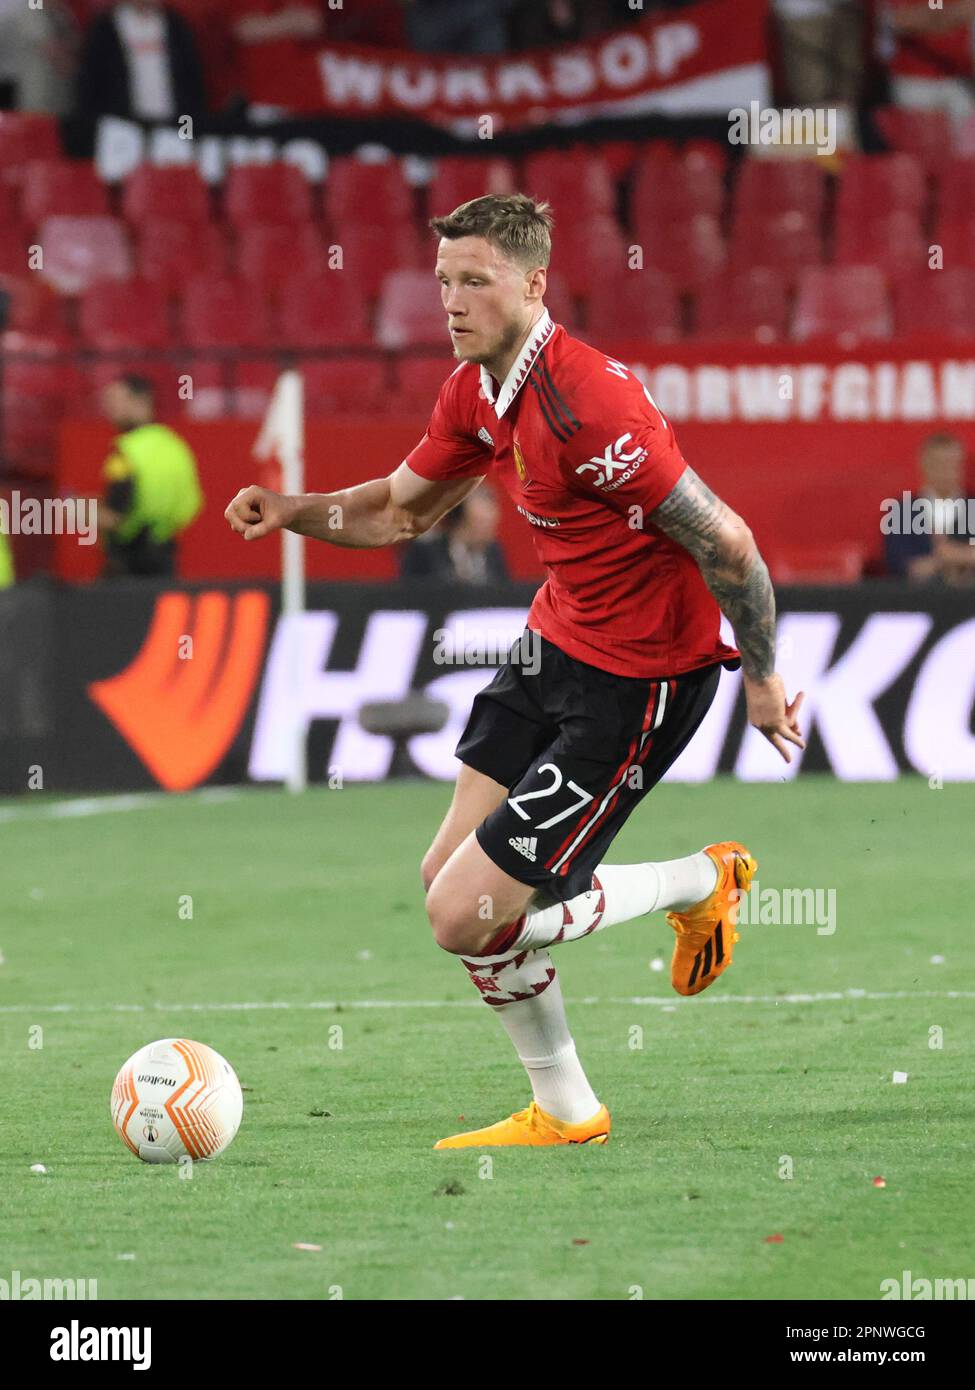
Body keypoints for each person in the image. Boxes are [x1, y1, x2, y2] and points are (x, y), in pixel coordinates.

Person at [225, 194, 804, 1150]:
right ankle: (569, 1113)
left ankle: (698, 881)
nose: (451, 301)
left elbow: (730, 545)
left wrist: (761, 676)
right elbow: (400, 513)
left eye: (475, 281)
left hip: (638, 680)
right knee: (446, 882)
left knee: (465, 917)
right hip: (551, 648)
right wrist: (293, 508)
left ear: (533, 286)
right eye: (443, 281)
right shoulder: (475, 390)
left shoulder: (590, 409)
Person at [98, 375, 203, 577]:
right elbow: (192, 503)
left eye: (115, 400)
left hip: (128, 565)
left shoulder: (126, 452)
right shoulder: (175, 446)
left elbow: (115, 515)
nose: (109, 408)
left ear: (140, 400)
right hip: (165, 559)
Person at [75, 0, 206, 120]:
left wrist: (190, 128)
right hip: (124, 127)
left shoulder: (176, 25)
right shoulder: (105, 28)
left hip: (173, 125)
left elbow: (192, 82)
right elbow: (90, 85)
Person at [885, 432, 975, 585]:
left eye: (951, 463)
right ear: (923, 465)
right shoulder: (902, 512)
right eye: (939, 464)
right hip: (920, 601)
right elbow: (900, 564)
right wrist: (943, 559)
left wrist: (958, 555)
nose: (946, 471)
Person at [399, 485, 510, 584]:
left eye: (491, 522)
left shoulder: (494, 554)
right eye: (481, 522)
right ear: (459, 517)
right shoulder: (427, 553)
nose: (488, 530)